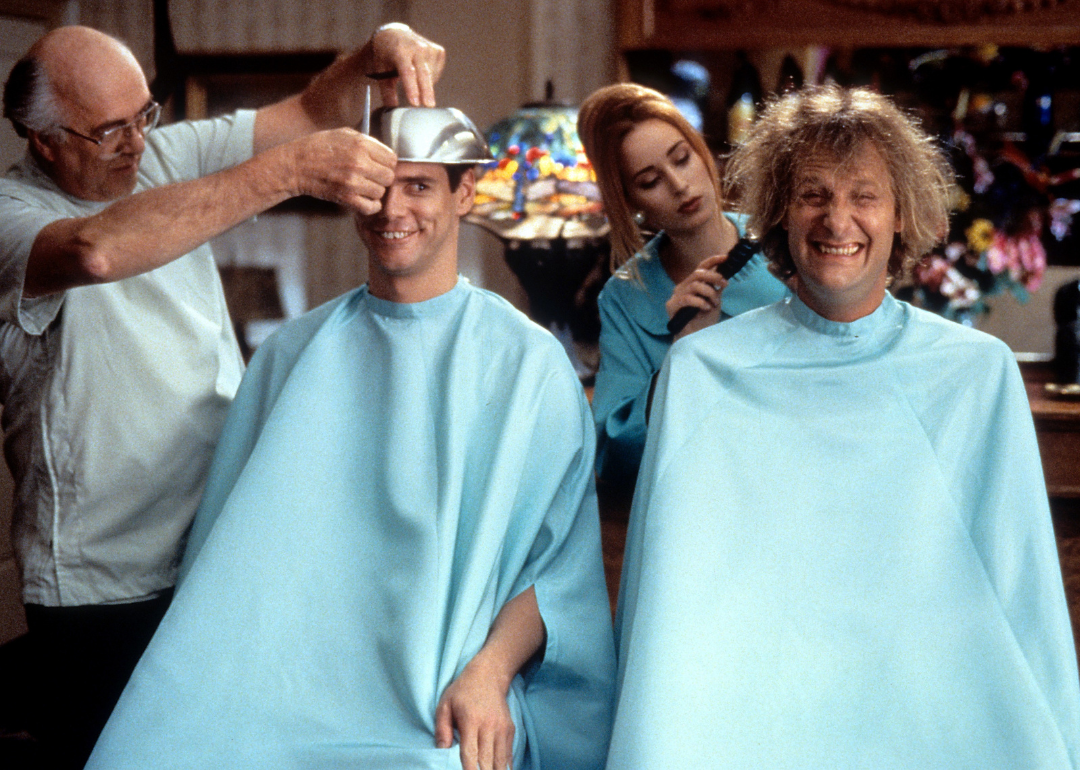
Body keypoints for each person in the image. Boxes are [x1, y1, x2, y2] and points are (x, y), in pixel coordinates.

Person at [85, 106, 616, 770]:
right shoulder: (290, 355)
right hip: (284, 690)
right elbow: (227, 569)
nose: (392, 209)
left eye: (418, 185)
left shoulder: (529, 366)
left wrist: (490, 673)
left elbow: (558, 568)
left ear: (466, 192)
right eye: (376, 187)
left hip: (443, 695)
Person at [0, 22, 445, 768]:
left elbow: (312, 111)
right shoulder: (12, 215)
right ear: (43, 141)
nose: (137, 144)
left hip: (220, 548)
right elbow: (95, 250)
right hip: (99, 583)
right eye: (110, 132)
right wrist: (287, 173)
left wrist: (375, 53)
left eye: (144, 114)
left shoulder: (164, 154)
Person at [605, 84, 1080, 768]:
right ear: (779, 211)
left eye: (864, 195)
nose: (837, 220)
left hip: (931, 725)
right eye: (813, 194)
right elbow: (664, 608)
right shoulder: (700, 373)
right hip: (752, 727)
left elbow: (1024, 589)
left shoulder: (976, 374)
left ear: (900, 213)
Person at [576, 83, 789, 492]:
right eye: (649, 180)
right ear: (630, 202)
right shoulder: (626, 298)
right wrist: (684, 354)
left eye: (681, 158)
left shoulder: (788, 243)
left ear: (702, 152)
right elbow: (615, 460)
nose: (679, 184)